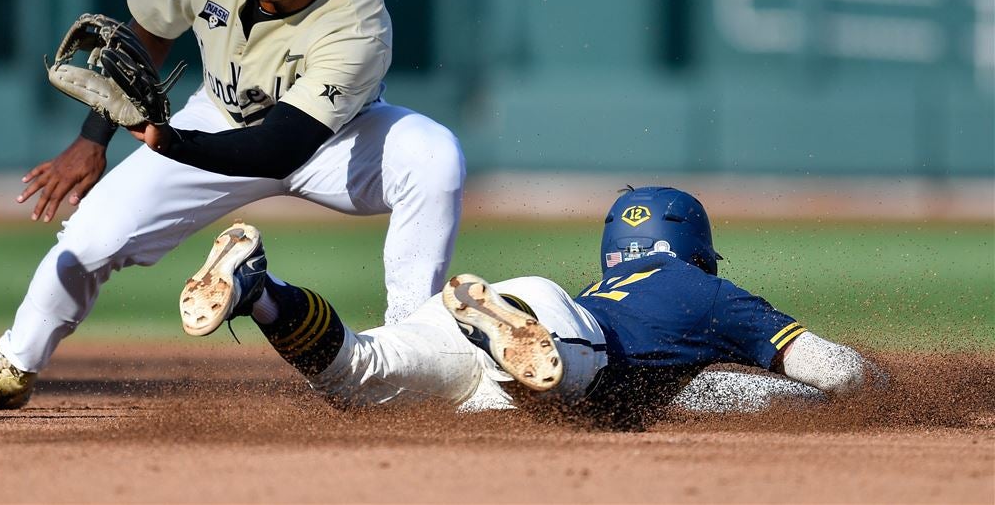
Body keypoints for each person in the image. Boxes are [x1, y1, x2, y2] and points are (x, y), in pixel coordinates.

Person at [0, 0, 465, 410]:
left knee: (433, 154)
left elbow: (281, 148)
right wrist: (94, 137)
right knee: (90, 240)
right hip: (217, 119)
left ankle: (411, 347)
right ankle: (12, 368)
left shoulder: (359, 19)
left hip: (334, 143)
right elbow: (147, 32)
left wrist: (168, 140)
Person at [176, 186, 882, 429]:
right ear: (695, 245)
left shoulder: (610, 290)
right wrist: (886, 393)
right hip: (553, 334)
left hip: (510, 325)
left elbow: (725, 395)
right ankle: (510, 334)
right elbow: (837, 371)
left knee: (359, 373)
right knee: (582, 365)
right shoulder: (714, 294)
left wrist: (791, 404)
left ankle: (262, 294)